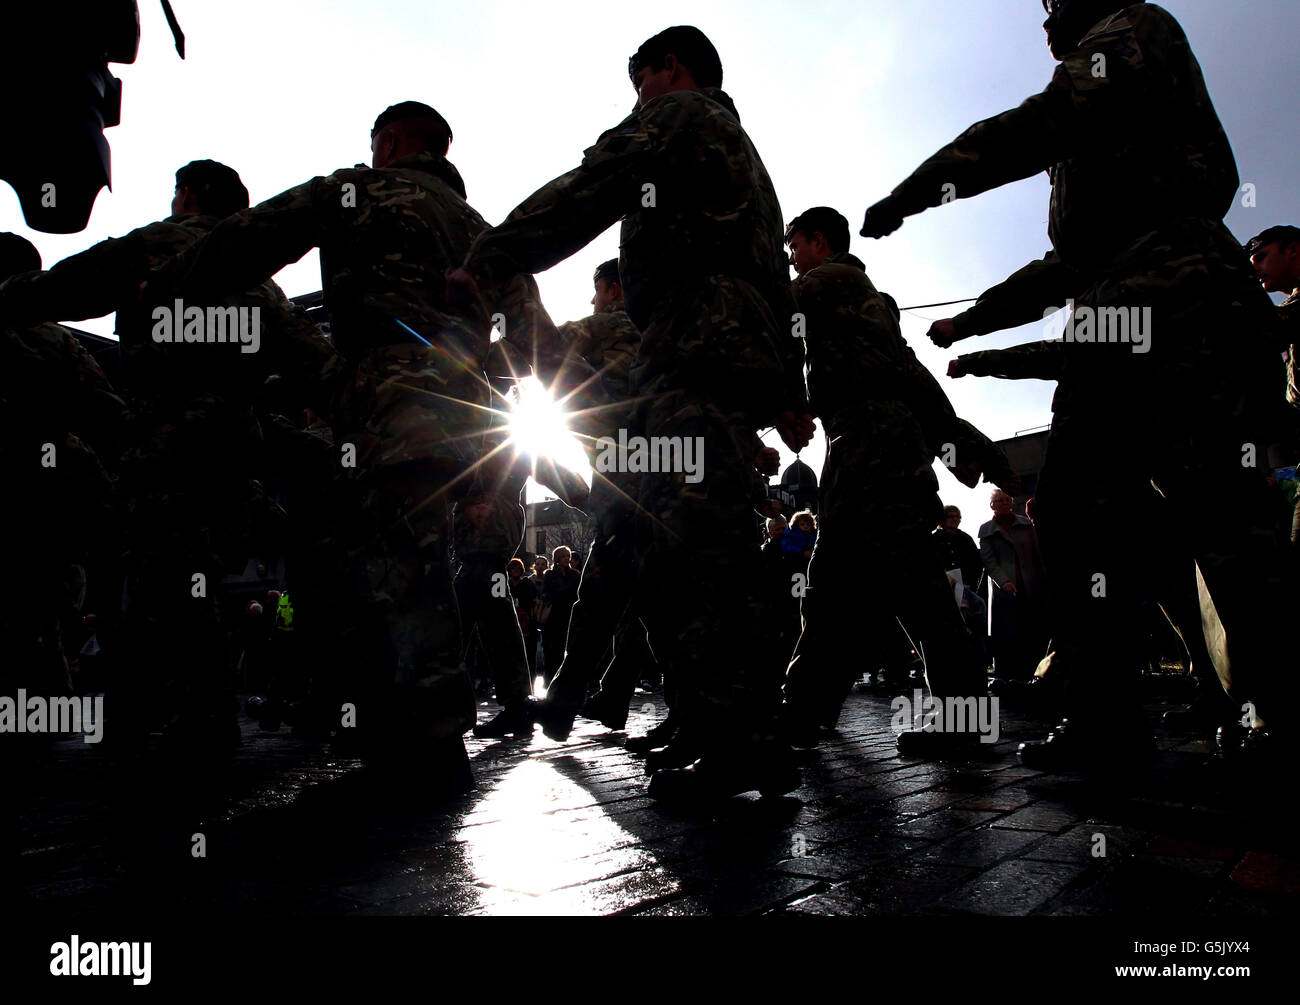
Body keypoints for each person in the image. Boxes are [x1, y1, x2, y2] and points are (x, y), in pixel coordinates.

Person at [861, 0, 1295, 765]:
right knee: (1087, 512)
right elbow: (1067, 265)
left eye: (1054, 3)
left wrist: (916, 191)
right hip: (1131, 311)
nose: (1045, 21)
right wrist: (972, 324)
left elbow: (1034, 127)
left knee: (1221, 523)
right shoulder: (1111, 137)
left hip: (1176, 304)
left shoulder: (1126, 35)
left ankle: (1261, 709)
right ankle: (1107, 718)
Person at [147, 104, 578, 794]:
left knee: (391, 569)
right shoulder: (477, 229)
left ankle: (425, 746)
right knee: (414, 563)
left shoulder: (359, 190)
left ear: (389, 142)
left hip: (385, 405)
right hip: (466, 420)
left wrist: (170, 282)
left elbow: (255, 238)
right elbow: (537, 337)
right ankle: (415, 735)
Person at [449, 26, 815, 802]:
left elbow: (597, 182)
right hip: (722, 350)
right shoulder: (744, 149)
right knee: (700, 538)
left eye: (642, 77)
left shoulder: (681, 115)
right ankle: (736, 733)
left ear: (671, 68)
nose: (638, 95)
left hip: (691, 345)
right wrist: (788, 388)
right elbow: (776, 285)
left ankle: (741, 743)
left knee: (697, 548)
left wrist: (493, 255)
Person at [0, 163, 338, 759]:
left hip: (168, 436)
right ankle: (194, 713)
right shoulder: (261, 281)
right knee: (196, 574)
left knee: (162, 578)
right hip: (235, 441)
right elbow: (311, 357)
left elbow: (73, 284)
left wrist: (10, 297)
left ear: (188, 197)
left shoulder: (158, 244)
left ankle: (183, 718)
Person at [778, 206, 1016, 753]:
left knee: (859, 588)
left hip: (868, 456)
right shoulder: (869, 302)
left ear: (819, 242)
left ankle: (804, 711)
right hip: (882, 453)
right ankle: (808, 711)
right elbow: (912, 380)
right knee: (877, 590)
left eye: (794, 244)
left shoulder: (828, 280)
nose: (791, 257)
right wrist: (961, 448)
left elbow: (769, 316)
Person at [978, 489, 1048, 681]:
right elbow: (989, 562)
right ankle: (1007, 673)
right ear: (992, 506)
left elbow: (1037, 554)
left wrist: (1043, 580)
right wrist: (1004, 581)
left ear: (1011, 502)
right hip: (1005, 589)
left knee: (1032, 628)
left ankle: (1033, 670)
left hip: (1030, 584)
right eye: (998, 501)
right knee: (1007, 632)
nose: (1002, 503)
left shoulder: (1025, 525)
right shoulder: (986, 530)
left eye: (1005, 499)